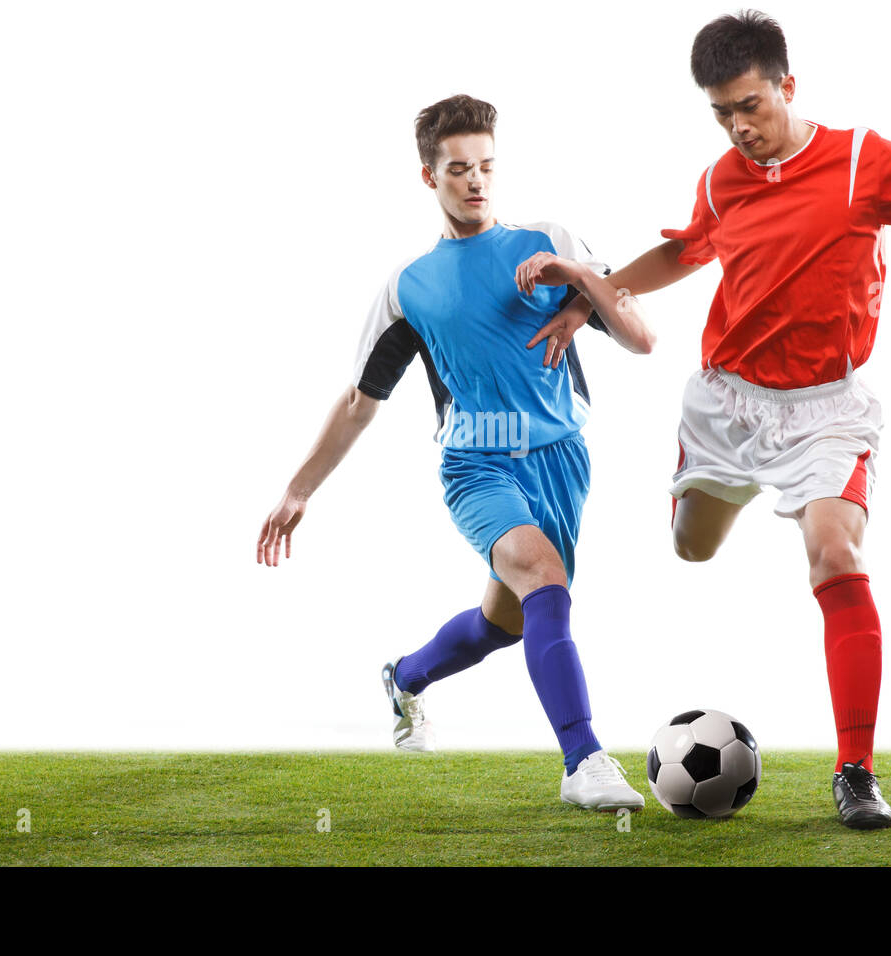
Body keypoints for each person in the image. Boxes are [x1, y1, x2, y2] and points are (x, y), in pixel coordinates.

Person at [516, 10, 891, 829]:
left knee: (835, 555)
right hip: (726, 402)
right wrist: (593, 296)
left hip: (824, 411)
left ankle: (855, 773)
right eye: (721, 113)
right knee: (692, 548)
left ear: (788, 86)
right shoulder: (722, 177)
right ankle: (722, 488)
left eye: (750, 105)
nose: (739, 126)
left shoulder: (866, 160)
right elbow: (685, 253)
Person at [257, 94, 657, 811]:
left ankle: (405, 678)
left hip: (563, 462)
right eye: (458, 170)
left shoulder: (551, 239)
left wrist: (583, 282)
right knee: (541, 572)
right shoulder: (408, 287)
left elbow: (637, 334)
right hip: (477, 466)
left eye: (486, 168)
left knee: (504, 623)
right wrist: (298, 490)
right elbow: (359, 404)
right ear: (428, 176)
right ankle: (583, 759)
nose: (475, 182)